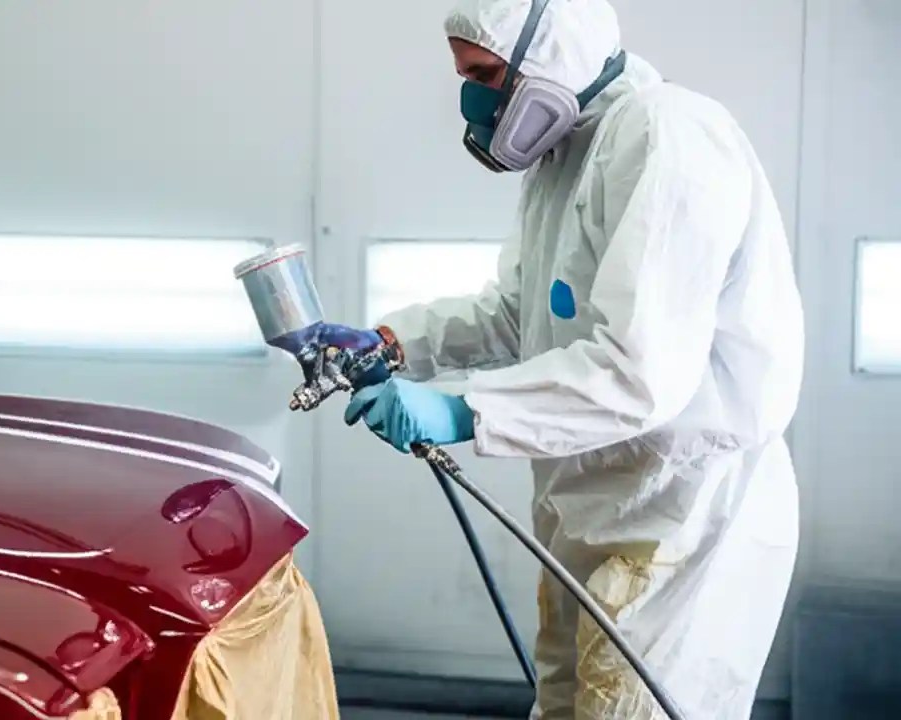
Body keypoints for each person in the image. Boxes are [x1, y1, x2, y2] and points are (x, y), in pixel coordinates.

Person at [327, 0, 805, 718]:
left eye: (485, 75)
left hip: (679, 520)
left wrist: (461, 412)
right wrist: (398, 344)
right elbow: (520, 314)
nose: (472, 99)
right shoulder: (561, 160)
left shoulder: (668, 134)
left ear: (549, 57)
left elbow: (637, 373)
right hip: (592, 508)